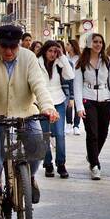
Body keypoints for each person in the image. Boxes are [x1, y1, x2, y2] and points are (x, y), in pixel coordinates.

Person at [0, 24, 58, 219]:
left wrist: (47, 107)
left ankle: (28, 178)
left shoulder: (28, 58)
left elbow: (39, 84)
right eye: (5, 47)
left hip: (26, 114)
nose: (9, 51)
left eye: (13, 47)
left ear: (19, 45)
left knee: (38, 143)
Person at [73, 33, 110, 180]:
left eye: (101, 42)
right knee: (92, 133)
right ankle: (95, 165)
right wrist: (79, 107)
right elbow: (77, 86)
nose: (98, 45)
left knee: (103, 133)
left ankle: (92, 155)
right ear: (89, 43)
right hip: (88, 99)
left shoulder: (108, 61)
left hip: (105, 99)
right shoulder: (81, 63)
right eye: (95, 42)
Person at [38, 40, 73, 179]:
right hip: (41, 102)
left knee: (59, 134)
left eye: (55, 51)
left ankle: (61, 164)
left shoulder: (60, 63)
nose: (52, 54)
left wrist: (62, 56)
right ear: (45, 51)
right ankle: (48, 164)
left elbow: (70, 76)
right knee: (45, 134)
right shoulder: (36, 62)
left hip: (58, 100)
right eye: (50, 51)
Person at [61, 39, 79, 134]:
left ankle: (76, 125)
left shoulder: (79, 58)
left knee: (77, 104)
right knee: (69, 104)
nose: (66, 46)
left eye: (68, 44)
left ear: (72, 46)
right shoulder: (65, 58)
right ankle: (69, 124)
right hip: (68, 83)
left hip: (78, 82)